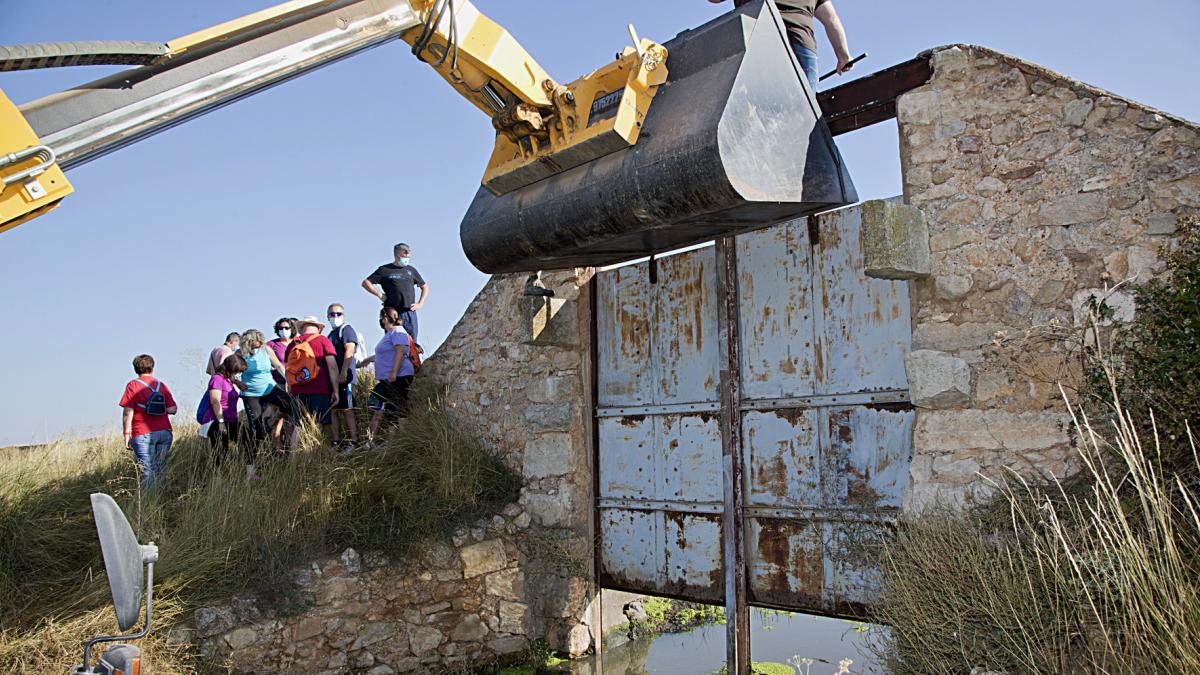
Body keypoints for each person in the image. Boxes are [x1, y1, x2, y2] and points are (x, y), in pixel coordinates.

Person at [712, 0, 853, 88]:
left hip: (758, 39)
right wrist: (843, 56)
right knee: (804, 114)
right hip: (801, 45)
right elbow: (831, 20)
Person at [118, 354, 178, 488]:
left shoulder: (132, 385)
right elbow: (173, 409)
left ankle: (149, 503)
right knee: (160, 469)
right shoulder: (160, 385)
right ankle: (162, 499)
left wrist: (126, 435)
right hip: (164, 432)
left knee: (147, 471)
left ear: (135, 369)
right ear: (152, 368)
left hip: (142, 433)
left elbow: (128, 412)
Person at [360, 307, 416, 445]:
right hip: (389, 378)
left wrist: (394, 372)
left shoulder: (397, 331)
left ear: (385, 317)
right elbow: (386, 353)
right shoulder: (389, 334)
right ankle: (393, 442)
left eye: (381, 317)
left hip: (399, 376)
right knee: (391, 408)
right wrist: (368, 360)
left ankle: (405, 440)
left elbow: (401, 350)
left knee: (399, 405)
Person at [238, 329, 299, 452]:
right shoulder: (239, 354)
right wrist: (237, 382)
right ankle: (256, 457)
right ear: (247, 343)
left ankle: (272, 419)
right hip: (251, 393)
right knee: (257, 427)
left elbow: (278, 366)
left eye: (259, 343)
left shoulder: (266, 349)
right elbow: (228, 371)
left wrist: (288, 381)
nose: (257, 346)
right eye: (254, 344)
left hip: (269, 387)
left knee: (291, 405)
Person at [285, 315, 340, 440]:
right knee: (317, 423)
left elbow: (288, 369)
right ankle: (312, 455)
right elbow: (332, 367)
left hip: (298, 389)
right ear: (317, 327)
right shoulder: (323, 340)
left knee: (299, 425)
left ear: (302, 327)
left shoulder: (292, 343)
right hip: (319, 388)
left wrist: (290, 387)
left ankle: (294, 458)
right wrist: (335, 390)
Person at [202, 354, 255, 477]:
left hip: (231, 420)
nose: (238, 374)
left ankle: (250, 473)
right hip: (217, 421)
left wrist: (237, 382)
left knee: (249, 438)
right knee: (220, 451)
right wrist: (220, 422)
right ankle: (219, 481)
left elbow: (231, 381)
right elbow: (215, 401)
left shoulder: (228, 380)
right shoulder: (216, 379)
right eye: (237, 371)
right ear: (231, 368)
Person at [362, 242, 429, 339]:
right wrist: (379, 295)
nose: (408, 255)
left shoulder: (411, 270)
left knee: (412, 342)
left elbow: (425, 287)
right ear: (397, 253)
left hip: (409, 312)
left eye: (409, 253)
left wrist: (420, 303)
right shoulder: (384, 270)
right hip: (393, 313)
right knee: (394, 341)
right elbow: (366, 283)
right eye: (405, 253)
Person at [326, 304, 361, 450]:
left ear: (343, 315)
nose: (335, 317)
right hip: (333, 379)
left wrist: (344, 371)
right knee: (334, 409)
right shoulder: (330, 334)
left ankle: (353, 441)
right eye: (332, 314)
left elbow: (350, 350)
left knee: (348, 409)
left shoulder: (346, 329)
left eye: (338, 314)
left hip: (345, 377)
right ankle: (336, 441)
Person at [266, 317, 297, 387]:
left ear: (292, 329)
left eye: (286, 328)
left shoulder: (299, 342)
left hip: (298, 381)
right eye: (281, 328)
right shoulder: (271, 344)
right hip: (279, 383)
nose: (283, 330)